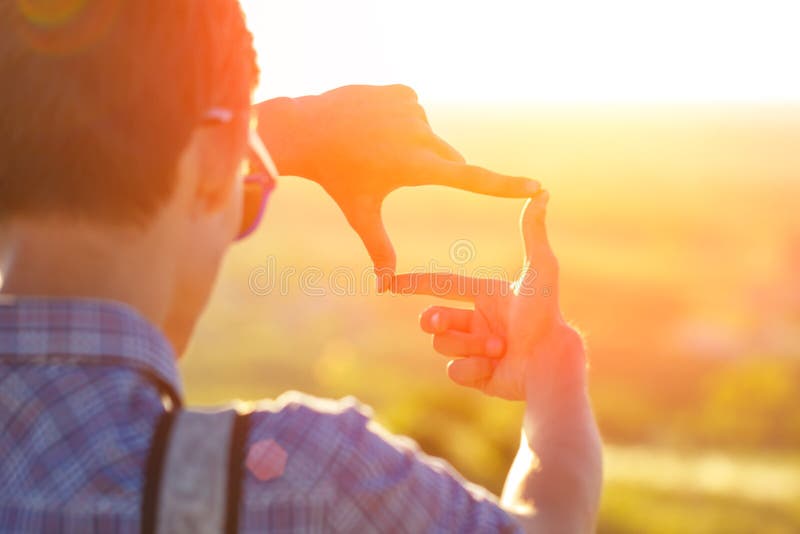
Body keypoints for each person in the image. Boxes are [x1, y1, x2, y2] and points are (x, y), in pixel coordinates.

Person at [0, 0, 602, 532]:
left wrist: (281, 133)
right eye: (244, 199)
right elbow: (548, 526)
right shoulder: (312, 482)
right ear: (214, 168)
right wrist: (552, 360)